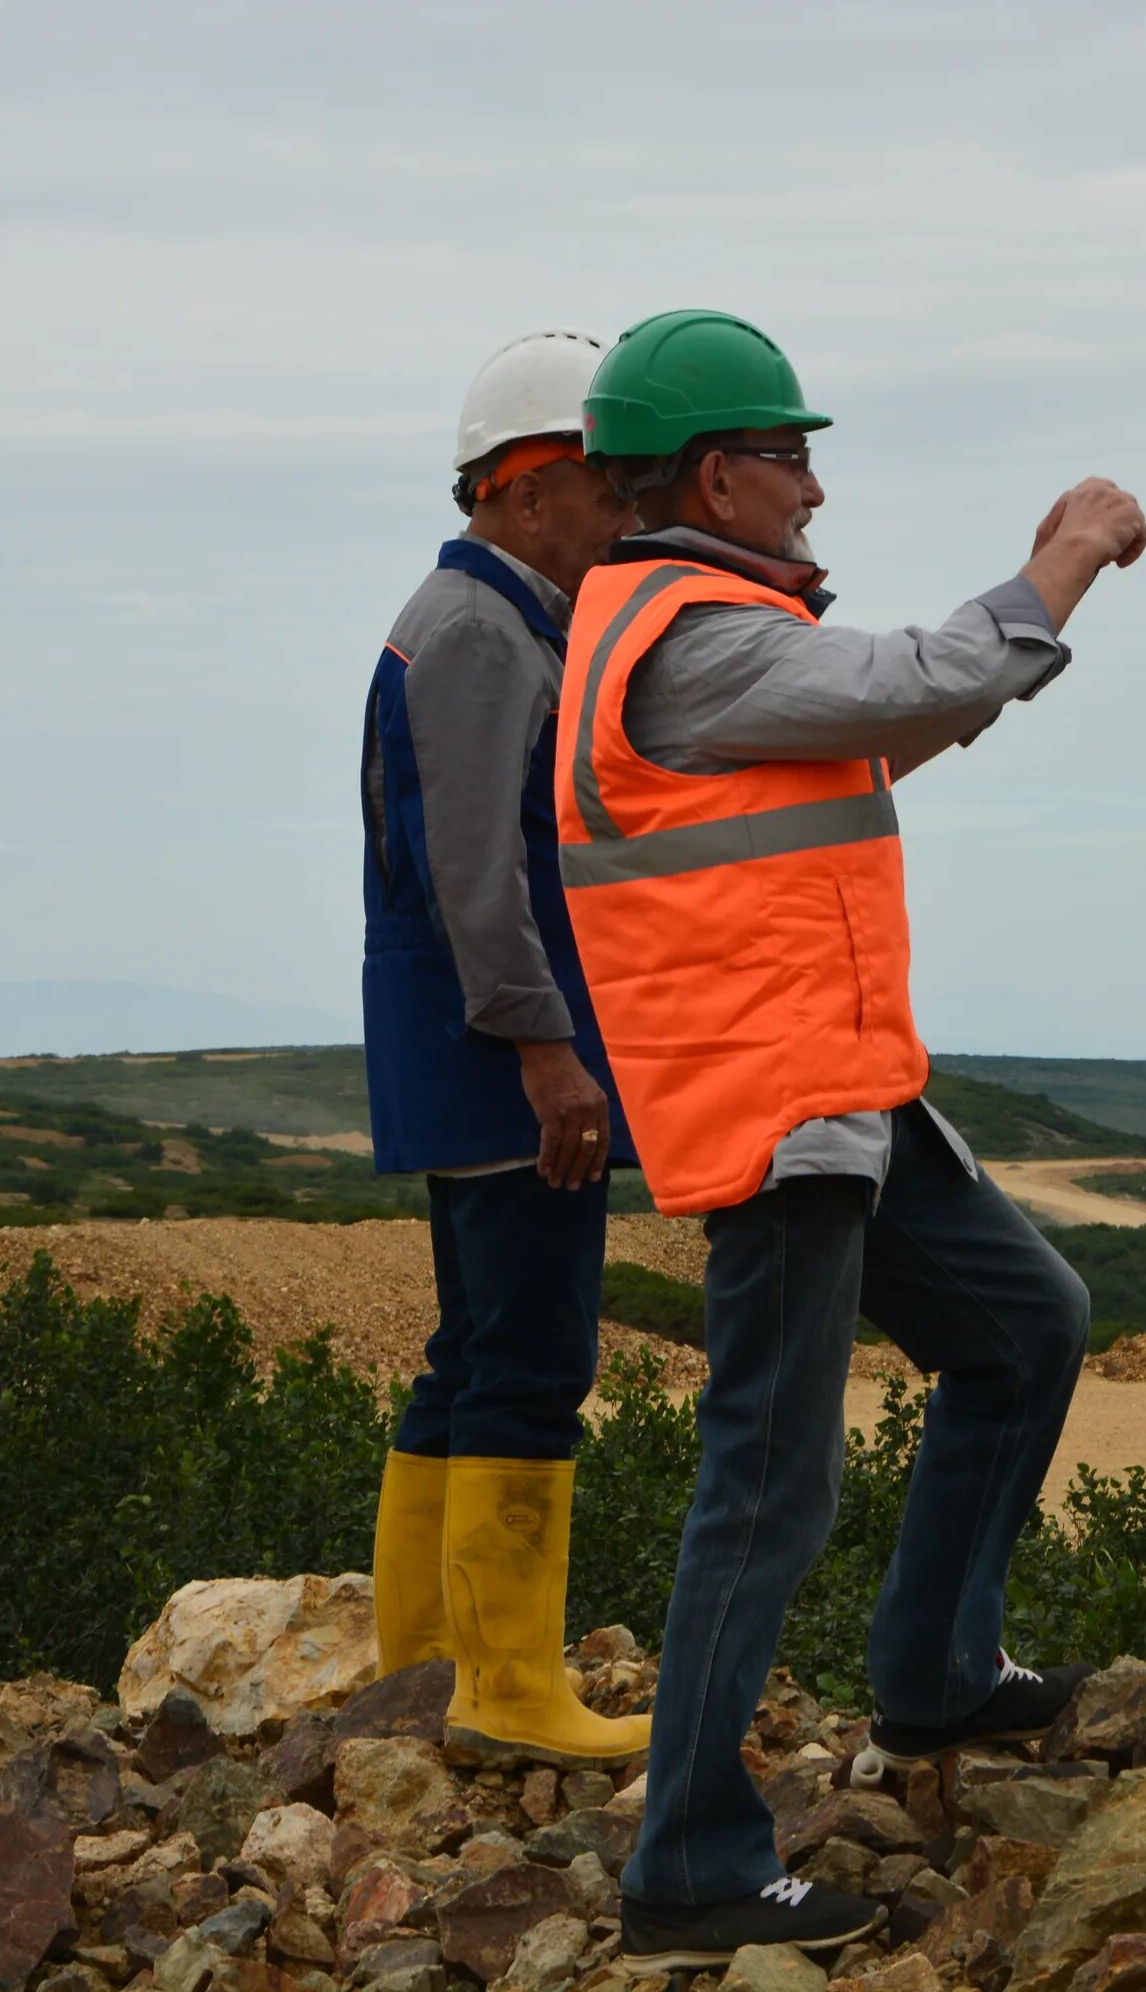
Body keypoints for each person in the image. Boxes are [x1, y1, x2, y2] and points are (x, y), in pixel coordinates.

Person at [555, 308, 1146, 1965]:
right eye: (792, 455)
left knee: (1027, 1326)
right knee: (768, 1481)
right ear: (713, 472)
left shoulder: (716, 628)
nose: (814, 488)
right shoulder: (682, 635)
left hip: (849, 1093)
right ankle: (687, 1866)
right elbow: (905, 680)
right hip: (774, 1111)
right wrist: (1061, 562)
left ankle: (939, 1680)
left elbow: (884, 721)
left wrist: (982, 664)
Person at [357, 330, 652, 1770]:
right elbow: (477, 869)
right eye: (606, 493)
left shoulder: (479, 618)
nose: (624, 520)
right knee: (531, 1357)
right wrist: (548, 1052)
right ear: (525, 493)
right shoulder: (483, 631)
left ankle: (425, 1672)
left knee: (472, 1351)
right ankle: (510, 1689)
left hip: (464, 1046)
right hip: (498, 1053)